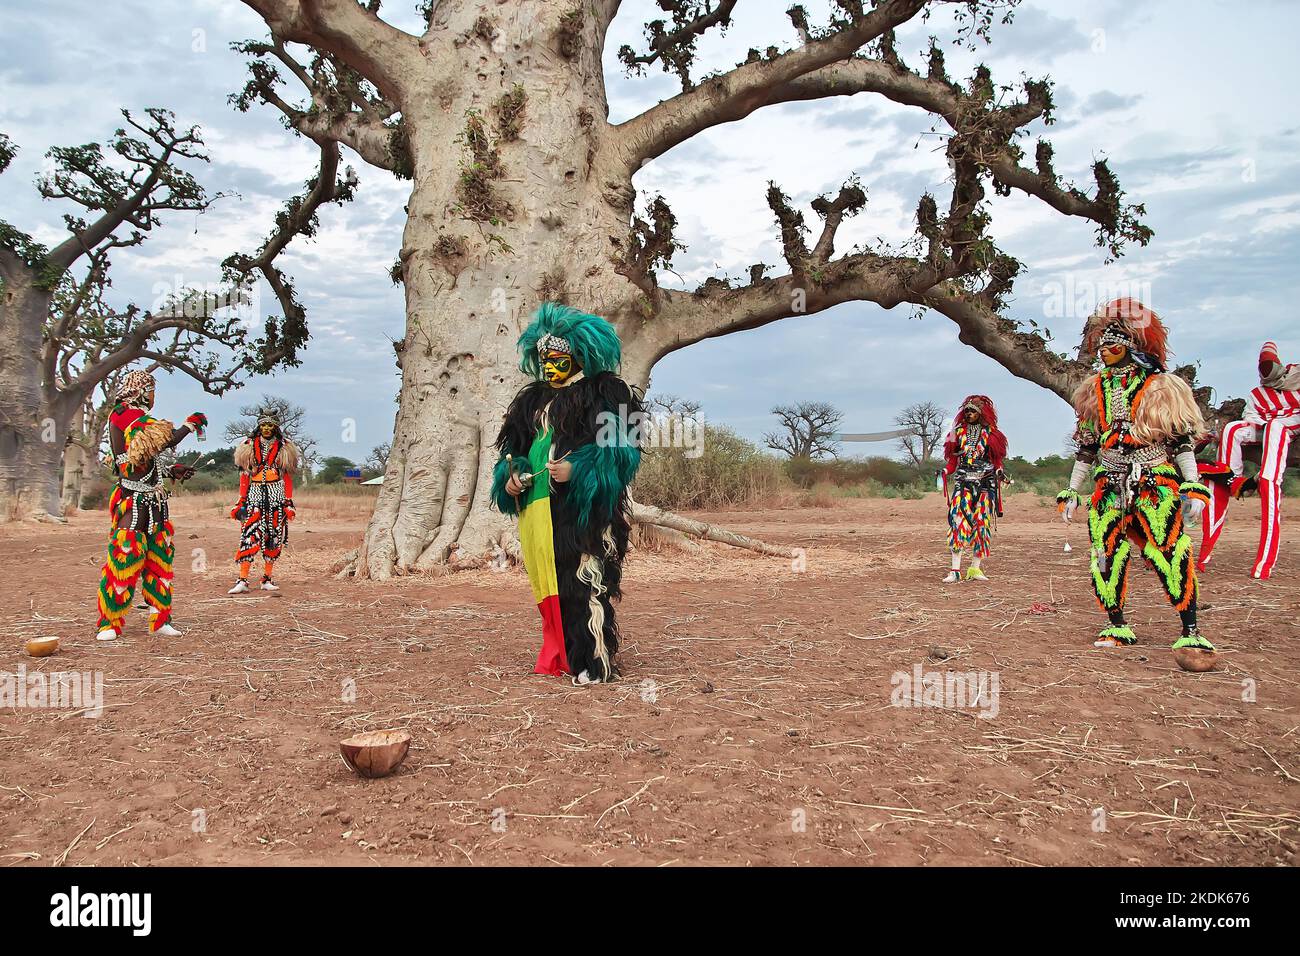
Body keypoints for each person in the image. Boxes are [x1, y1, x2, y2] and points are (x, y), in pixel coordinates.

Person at [490, 303, 642, 684]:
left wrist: (581, 467)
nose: (549, 368)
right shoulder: (530, 402)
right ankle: (561, 652)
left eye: (557, 359)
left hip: (582, 511)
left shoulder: (607, 392)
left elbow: (626, 448)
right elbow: (512, 452)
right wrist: (511, 478)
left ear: (577, 355)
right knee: (549, 581)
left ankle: (593, 661)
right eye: (544, 360)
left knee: (584, 580)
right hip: (538, 507)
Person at [1056, 299, 1216, 660]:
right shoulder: (1093, 390)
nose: (1104, 353)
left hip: (1153, 483)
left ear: (1130, 348)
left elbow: (1181, 442)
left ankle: (1190, 629)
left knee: (1170, 550)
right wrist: (1072, 490)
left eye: (1112, 347)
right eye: (1100, 348)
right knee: (1105, 553)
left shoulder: (1161, 388)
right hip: (1108, 484)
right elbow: (1087, 447)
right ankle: (1116, 624)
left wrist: (1192, 485)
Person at [95, 369, 205, 641]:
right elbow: (160, 440)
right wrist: (189, 426)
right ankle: (109, 622)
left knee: (159, 559)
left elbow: (145, 460)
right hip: (131, 500)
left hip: (154, 500)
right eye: (152, 390)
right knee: (125, 555)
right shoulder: (123, 414)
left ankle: (161, 618)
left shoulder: (137, 417)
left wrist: (171, 472)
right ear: (142, 390)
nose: (154, 396)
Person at [1198, 340, 1300, 579]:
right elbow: (1251, 415)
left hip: (1287, 427)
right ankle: (1230, 478)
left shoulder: (1297, 377)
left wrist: (1276, 420)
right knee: (1232, 428)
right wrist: (1262, 423)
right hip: (1264, 428)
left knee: (1276, 426)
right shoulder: (1257, 394)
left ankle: (1268, 479)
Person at [228, 413, 301, 593]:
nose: (267, 428)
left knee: (273, 538)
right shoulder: (248, 447)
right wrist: (241, 501)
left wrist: (288, 503)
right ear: (259, 427)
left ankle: (266, 579)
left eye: (270, 425)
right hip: (254, 495)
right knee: (249, 536)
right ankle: (242, 580)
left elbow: (288, 478)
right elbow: (245, 476)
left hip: (276, 495)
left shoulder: (285, 448)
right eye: (264, 425)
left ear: (275, 427)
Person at [939, 395, 1008, 582]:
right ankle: (955, 570)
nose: (969, 414)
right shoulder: (957, 432)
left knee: (981, 523)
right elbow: (953, 460)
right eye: (967, 411)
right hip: (964, 483)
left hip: (986, 484)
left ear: (981, 413)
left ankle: (975, 569)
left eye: (973, 411)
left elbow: (997, 461)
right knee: (958, 522)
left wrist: (1000, 473)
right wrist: (945, 471)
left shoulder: (992, 434)